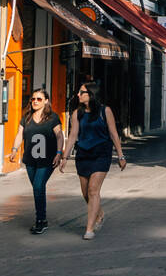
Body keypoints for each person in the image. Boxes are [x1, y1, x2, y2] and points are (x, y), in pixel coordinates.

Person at [60, 80, 125, 240]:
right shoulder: (77, 113)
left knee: (93, 190)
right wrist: (65, 157)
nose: (78, 95)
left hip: (101, 154)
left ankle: (89, 228)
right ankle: (100, 213)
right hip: (83, 155)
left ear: (91, 94)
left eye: (82, 92)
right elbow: (73, 135)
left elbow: (113, 133)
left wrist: (121, 155)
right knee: (85, 193)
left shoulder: (105, 111)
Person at [7, 87, 65, 234]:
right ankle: (42, 218)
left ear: (46, 101)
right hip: (30, 160)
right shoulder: (26, 117)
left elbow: (59, 135)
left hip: (47, 160)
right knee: (37, 189)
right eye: (33, 99)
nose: (35, 101)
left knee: (38, 187)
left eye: (39, 99)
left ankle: (40, 220)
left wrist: (59, 152)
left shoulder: (52, 118)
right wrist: (14, 150)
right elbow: (20, 134)